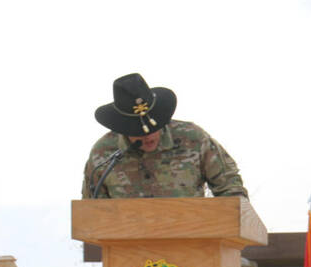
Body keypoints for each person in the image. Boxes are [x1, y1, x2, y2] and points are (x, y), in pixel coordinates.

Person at [81, 73, 247, 199]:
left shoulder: (194, 139)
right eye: (137, 133)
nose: (148, 137)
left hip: (194, 239)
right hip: (127, 242)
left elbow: (231, 189)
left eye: (154, 128)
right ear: (122, 129)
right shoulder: (103, 155)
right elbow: (92, 212)